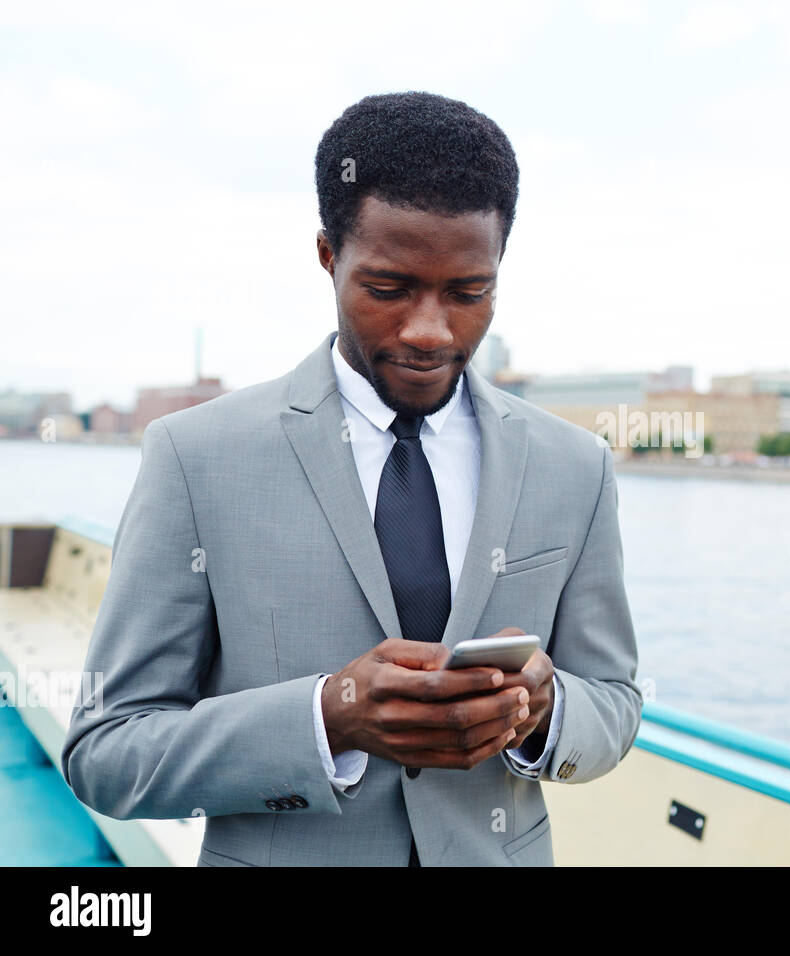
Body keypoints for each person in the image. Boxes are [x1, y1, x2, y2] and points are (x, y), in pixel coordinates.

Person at [60, 91, 642, 866]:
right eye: (390, 288)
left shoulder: (577, 467)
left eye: (469, 293)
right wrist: (329, 717)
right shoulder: (194, 457)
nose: (431, 331)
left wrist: (543, 709)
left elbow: (616, 706)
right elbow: (107, 752)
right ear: (328, 256)